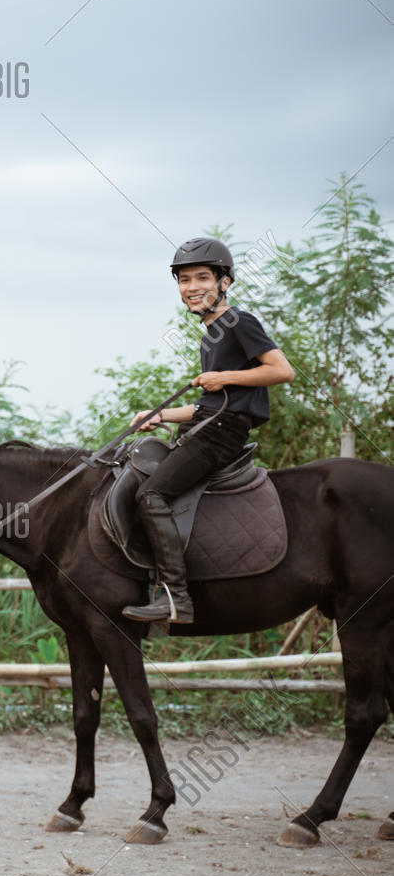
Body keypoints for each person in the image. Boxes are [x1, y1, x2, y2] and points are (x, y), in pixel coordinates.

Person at [121, 236, 294, 624]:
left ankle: (175, 598)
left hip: (223, 433)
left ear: (224, 282)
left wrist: (224, 376)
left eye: (202, 277)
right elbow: (208, 404)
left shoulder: (237, 321)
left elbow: (282, 370)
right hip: (210, 423)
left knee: (151, 495)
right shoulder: (212, 332)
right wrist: (160, 415)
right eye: (184, 280)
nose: (192, 287)